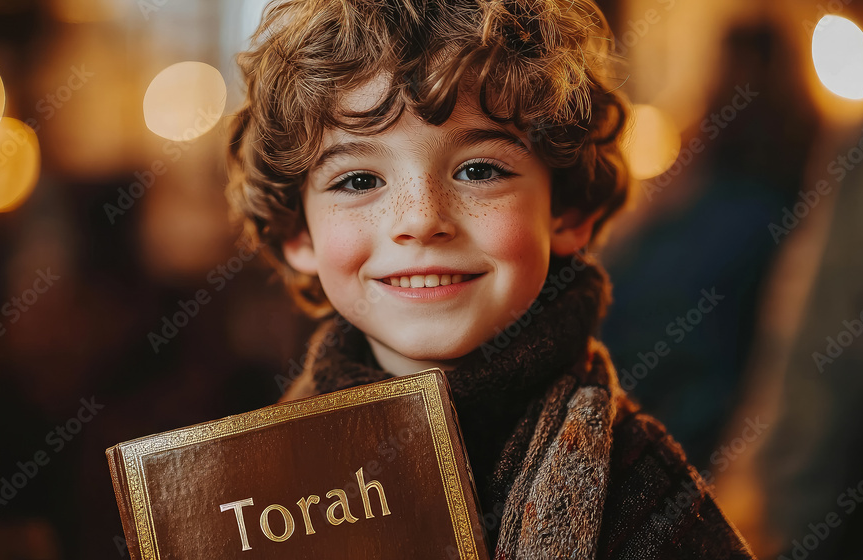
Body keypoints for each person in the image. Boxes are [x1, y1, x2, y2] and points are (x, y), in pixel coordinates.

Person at [225, 0, 754, 557]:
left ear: (567, 212)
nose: (421, 219)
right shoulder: (250, 499)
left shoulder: (652, 502)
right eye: (358, 180)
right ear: (298, 234)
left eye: (479, 170)